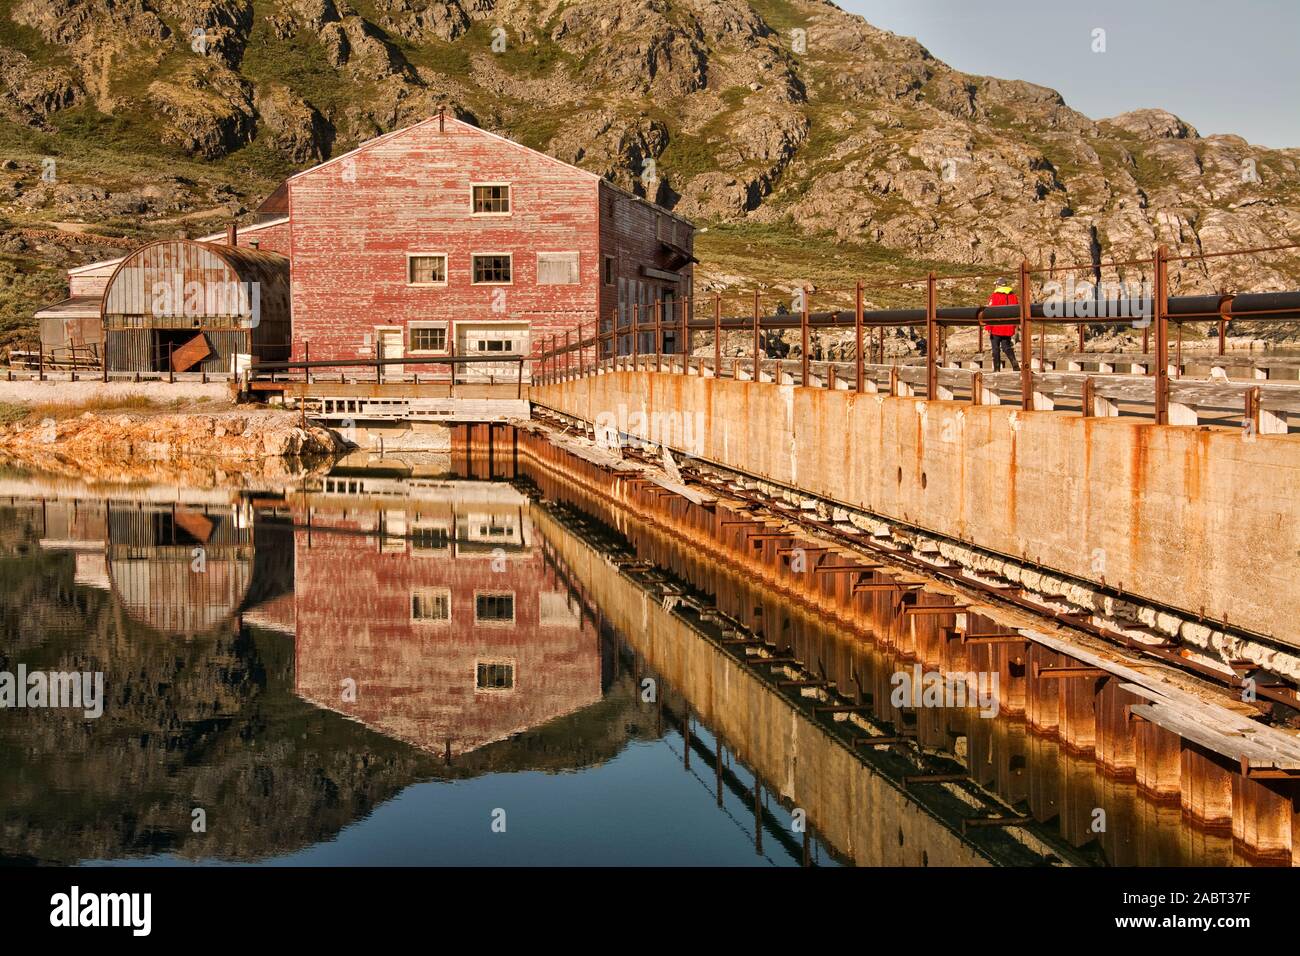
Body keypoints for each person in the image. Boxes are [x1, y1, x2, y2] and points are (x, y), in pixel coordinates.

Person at [984, 278, 1019, 372]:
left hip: (996, 326)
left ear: (998, 285)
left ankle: (996, 369)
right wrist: (1014, 326)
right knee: (1006, 346)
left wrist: (988, 326)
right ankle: (1014, 363)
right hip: (1008, 327)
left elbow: (990, 311)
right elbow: (1016, 311)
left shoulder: (995, 296)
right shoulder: (1013, 296)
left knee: (995, 348)